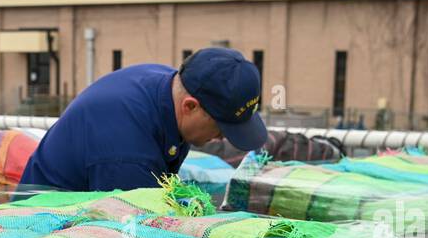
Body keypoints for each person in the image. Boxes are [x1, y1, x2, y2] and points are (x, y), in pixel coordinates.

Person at [21, 46, 268, 192]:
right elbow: (130, 234)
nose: (222, 137)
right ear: (190, 106)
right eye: (221, 127)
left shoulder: (171, 87)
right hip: (41, 229)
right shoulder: (127, 151)